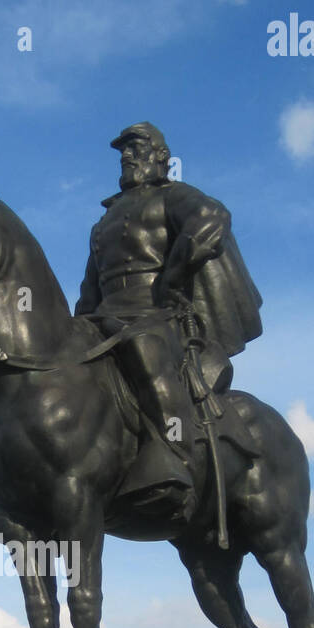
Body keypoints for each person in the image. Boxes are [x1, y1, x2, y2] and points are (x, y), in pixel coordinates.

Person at [76, 123, 263, 494]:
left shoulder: (173, 196)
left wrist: (174, 277)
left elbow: (212, 216)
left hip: (156, 314)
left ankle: (174, 456)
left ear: (161, 157)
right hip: (104, 318)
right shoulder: (104, 221)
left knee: (143, 347)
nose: (128, 156)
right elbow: (90, 286)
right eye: (124, 151)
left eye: (136, 148)